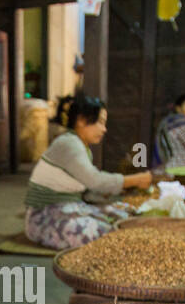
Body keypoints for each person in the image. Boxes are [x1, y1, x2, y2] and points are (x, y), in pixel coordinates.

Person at [24, 94, 152, 249]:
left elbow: (86, 186)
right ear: (81, 120)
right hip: (44, 217)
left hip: (68, 206)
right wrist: (136, 180)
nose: (104, 129)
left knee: (122, 216)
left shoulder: (80, 146)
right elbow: (95, 180)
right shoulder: (69, 144)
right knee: (110, 235)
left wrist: (107, 193)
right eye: (100, 122)